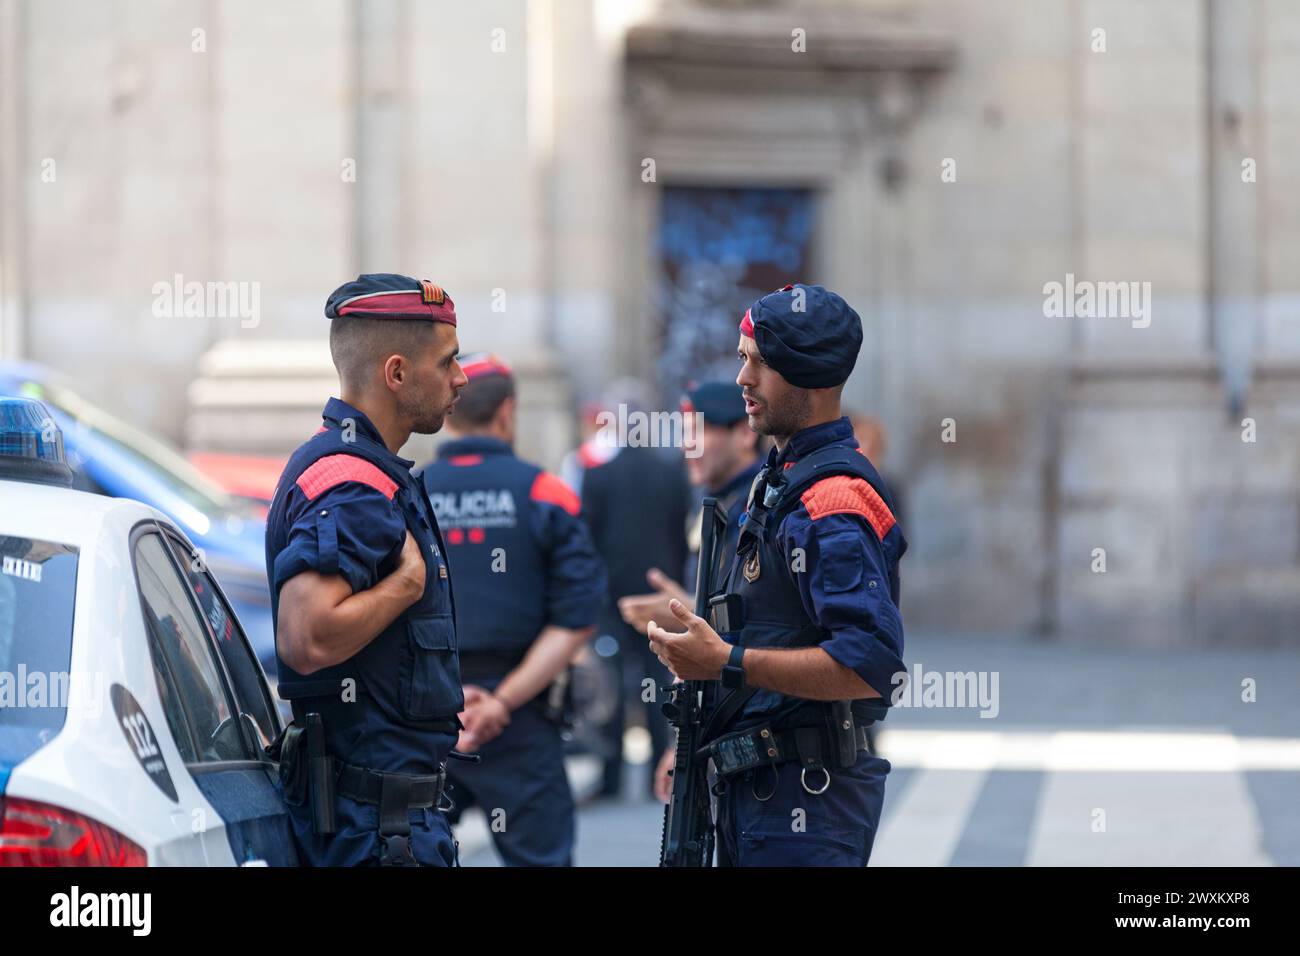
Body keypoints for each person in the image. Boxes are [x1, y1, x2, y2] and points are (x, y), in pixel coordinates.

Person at [646, 283, 907, 866]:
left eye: (759, 362)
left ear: (805, 372)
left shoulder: (831, 499)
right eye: (743, 359)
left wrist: (727, 663)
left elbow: (870, 665)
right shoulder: (783, 478)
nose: (743, 379)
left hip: (804, 805)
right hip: (761, 794)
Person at [265, 273, 468, 867]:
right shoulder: (353, 481)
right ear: (397, 373)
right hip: (374, 835)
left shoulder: (362, 467)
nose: (461, 379)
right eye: (448, 362)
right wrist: (407, 586)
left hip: (387, 826)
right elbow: (306, 637)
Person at [417, 353, 607, 866]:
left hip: (429, 721)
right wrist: (501, 703)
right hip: (522, 721)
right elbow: (576, 619)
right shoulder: (545, 491)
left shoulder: (410, 492)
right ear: (507, 411)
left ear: (449, 409)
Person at [612, 381, 765, 801]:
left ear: (744, 433)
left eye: (698, 432)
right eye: (683, 433)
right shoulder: (720, 500)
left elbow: (762, 622)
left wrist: (683, 611)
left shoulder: (760, 506)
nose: (687, 446)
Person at [576, 380, 691, 797]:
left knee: (611, 683)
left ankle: (610, 778)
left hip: (613, 596)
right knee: (657, 679)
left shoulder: (598, 475)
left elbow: (586, 540)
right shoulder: (671, 473)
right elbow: (680, 537)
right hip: (661, 596)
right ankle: (653, 775)